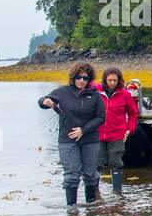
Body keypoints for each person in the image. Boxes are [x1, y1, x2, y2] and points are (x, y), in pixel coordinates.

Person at [38, 62, 105, 205]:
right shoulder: (62, 92)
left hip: (90, 139)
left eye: (85, 78)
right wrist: (45, 101)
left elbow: (101, 117)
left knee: (90, 174)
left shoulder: (95, 95)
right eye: (78, 77)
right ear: (73, 77)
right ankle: (71, 208)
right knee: (72, 174)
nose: (81, 81)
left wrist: (84, 130)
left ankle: (91, 205)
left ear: (89, 79)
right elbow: (42, 101)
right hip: (67, 139)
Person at [93, 66, 138, 195]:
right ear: (104, 80)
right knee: (97, 162)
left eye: (115, 80)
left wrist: (130, 129)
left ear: (119, 80)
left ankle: (117, 192)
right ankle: (95, 192)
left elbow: (133, 113)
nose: (112, 83)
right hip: (98, 134)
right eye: (110, 80)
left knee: (116, 162)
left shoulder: (125, 94)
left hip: (117, 134)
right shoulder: (96, 91)